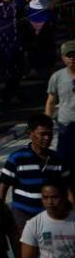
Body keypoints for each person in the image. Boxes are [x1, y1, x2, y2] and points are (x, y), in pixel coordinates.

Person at [0, 113, 72, 227]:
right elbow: (2, 188)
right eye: (42, 134)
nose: (47, 138)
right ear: (30, 134)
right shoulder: (17, 158)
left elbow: (68, 189)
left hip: (50, 217)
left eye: (49, 134)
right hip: (22, 216)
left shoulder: (58, 159)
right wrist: (0, 215)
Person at [24, 0, 64, 77]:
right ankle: (34, 69)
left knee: (49, 42)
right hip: (33, 14)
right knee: (34, 43)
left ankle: (50, 68)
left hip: (48, 14)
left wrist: (53, 2)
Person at [46, 40, 75, 177]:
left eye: (74, 54)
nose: (72, 58)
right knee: (64, 164)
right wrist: (46, 123)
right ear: (63, 58)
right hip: (65, 127)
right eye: (68, 55)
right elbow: (51, 102)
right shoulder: (56, 77)